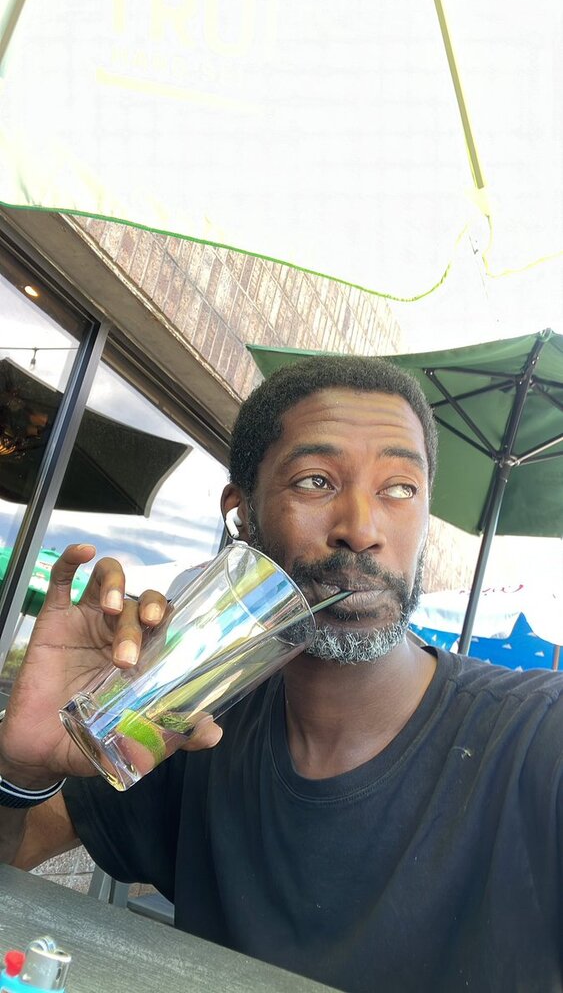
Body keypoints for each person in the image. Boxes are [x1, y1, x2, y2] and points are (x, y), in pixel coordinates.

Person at [0, 354, 561, 993]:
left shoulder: (540, 739)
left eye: (400, 488)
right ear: (241, 514)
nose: (362, 529)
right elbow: (14, 850)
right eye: (316, 481)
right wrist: (20, 768)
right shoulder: (191, 722)